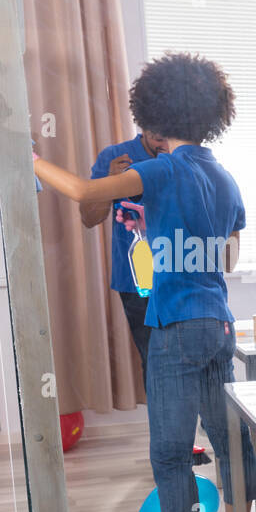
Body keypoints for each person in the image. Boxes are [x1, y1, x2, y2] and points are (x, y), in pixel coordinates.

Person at [35, 51, 256, 512]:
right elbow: (231, 251)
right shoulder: (223, 176)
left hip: (174, 327)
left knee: (169, 456)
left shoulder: (163, 170)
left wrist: (32, 160)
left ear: (155, 119)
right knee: (230, 444)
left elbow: (85, 190)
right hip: (218, 325)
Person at [80, 128, 170, 385]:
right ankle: (163, 425)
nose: (165, 143)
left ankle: (204, 425)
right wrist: (110, 181)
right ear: (143, 127)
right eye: (158, 136)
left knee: (191, 360)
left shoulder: (182, 155)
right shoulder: (116, 157)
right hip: (137, 281)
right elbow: (89, 218)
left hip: (181, 274)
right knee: (154, 360)